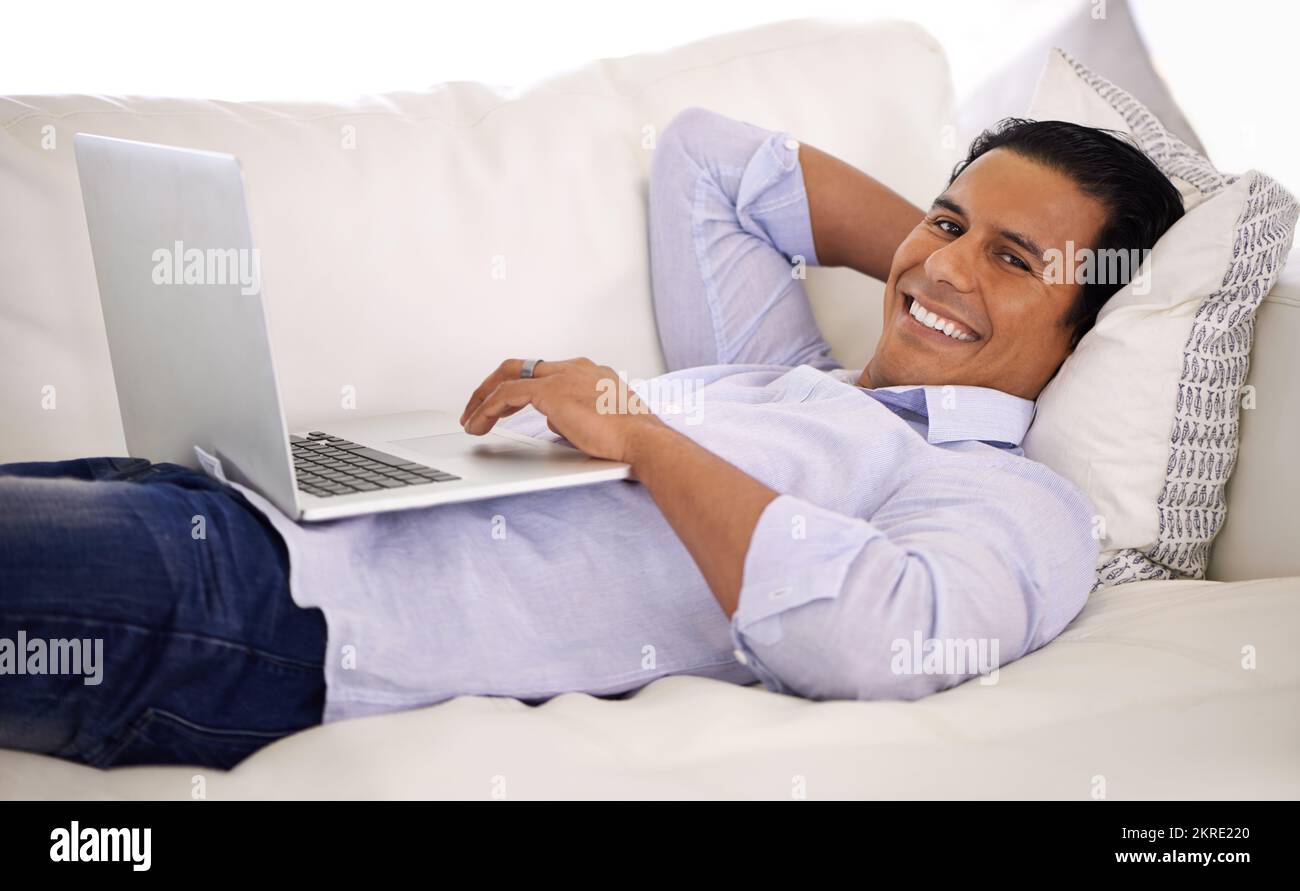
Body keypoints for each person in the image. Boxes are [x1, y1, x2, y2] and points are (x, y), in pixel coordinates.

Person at [0, 108, 1185, 770]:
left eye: (1013, 258)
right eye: (946, 219)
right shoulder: (797, 381)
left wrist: (633, 430)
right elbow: (707, 163)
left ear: (1092, 330)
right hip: (229, 498)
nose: (940, 258)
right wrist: (952, 276)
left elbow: (887, 643)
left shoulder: (1003, 495)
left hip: (278, 614)